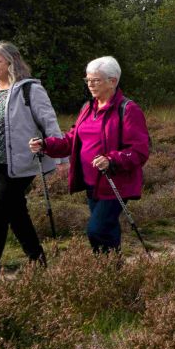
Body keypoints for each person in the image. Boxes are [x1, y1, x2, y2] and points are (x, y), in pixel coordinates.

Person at [32, 56, 150, 254]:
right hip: (91, 183)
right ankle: (111, 274)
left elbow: (139, 151)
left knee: (96, 230)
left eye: (96, 80)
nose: (90, 85)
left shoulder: (128, 110)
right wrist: (46, 145)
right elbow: (72, 140)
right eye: (88, 80)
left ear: (113, 81)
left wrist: (111, 159)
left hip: (115, 183)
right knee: (108, 230)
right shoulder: (88, 108)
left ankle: (108, 271)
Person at [0, 43, 61, 284]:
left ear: (11, 63)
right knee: (15, 212)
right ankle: (37, 259)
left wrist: (57, 150)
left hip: (20, 163)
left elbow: (49, 121)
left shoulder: (29, 89)